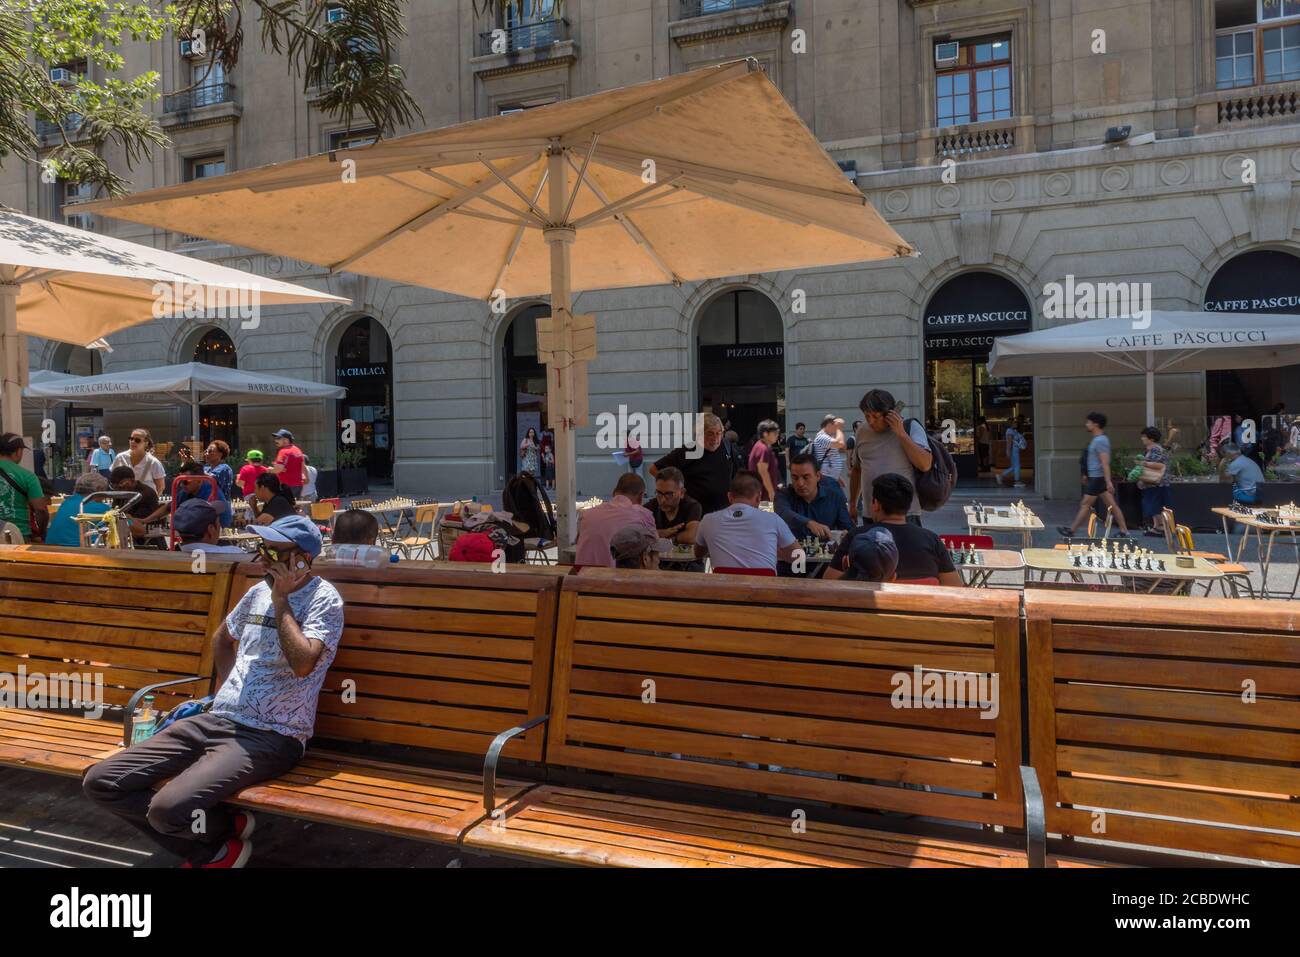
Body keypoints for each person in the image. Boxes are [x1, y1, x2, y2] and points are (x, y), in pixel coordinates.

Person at [83, 515, 344, 868]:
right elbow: (223, 639)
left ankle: (216, 848)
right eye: (261, 547)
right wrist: (227, 691)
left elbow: (303, 664)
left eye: (273, 550)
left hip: (272, 735)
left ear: (303, 558)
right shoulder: (256, 593)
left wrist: (282, 601)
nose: (263, 557)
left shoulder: (324, 600)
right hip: (218, 718)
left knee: (166, 809)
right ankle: (222, 829)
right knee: (101, 781)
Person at [826, 473, 962, 586]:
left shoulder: (858, 536)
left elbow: (829, 583)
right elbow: (955, 587)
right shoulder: (932, 540)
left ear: (876, 504)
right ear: (908, 506)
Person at [849, 390, 933, 525]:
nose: (871, 421)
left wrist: (901, 434)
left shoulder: (910, 427)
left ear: (890, 413)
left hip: (905, 514)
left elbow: (925, 464)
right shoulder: (862, 431)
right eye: (867, 416)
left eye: (875, 416)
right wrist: (852, 503)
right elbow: (857, 470)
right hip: (872, 514)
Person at [693, 471, 797, 573]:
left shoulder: (707, 520)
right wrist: (776, 551)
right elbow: (797, 554)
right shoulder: (773, 519)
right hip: (764, 588)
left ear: (729, 496)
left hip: (724, 589)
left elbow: (698, 554)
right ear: (758, 497)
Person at [649, 413, 733, 515]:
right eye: (710, 433)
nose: (715, 438)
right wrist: (675, 490)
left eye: (719, 433)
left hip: (724, 513)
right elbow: (654, 469)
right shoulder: (688, 451)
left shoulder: (726, 447)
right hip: (697, 514)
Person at [1061, 411, 1129, 537]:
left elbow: (1105, 462)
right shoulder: (1098, 440)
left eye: (1088, 422)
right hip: (1096, 477)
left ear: (1095, 424)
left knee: (1085, 504)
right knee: (1112, 505)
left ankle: (1072, 530)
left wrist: (1108, 481)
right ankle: (1124, 530)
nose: (1086, 424)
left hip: (1097, 478)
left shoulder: (1101, 441)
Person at [575, 473, 657, 567]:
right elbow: (654, 552)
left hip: (581, 577)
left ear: (614, 492)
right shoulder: (643, 515)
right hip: (616, 578)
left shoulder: (586, 514)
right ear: (641, 496)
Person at [775, 452, 853, 542]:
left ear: (818, 476)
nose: (800, 483)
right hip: (792, 552)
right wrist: (808, 523)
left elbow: (848, 528)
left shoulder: (834, 497)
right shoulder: (783, 495)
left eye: (806, 477)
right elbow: (783, 513)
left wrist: (845, 534)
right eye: (795, 478)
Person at [645, 466, 704, 571]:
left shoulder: (692, 506)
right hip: (659, 565)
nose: (662, 500)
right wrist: (663, 533)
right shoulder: (650, 506)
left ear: (682, 493)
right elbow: (638, 535)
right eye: (658, 493)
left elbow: (691, 537)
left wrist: (666, 539)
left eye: (669, 494)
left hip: (689, 567)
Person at [0, 433, 49, 543]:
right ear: (18, 451)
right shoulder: (27, 476)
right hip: (17, 535)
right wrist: (42, 532)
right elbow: (40, 509)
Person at [44, 471, 112, 547]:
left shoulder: (66, 503)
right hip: (78, 552)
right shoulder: (102, 508)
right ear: (99, 489)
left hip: (51, 548)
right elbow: (125, 526)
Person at [109, 465, 169, 547]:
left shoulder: (145, 494)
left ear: (131, 481)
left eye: (121, 484)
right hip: (129, 538)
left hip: (148, 542)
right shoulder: (121, 492)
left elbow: (137, 524)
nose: (118, 488)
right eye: (114, 486)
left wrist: (125, 518)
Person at [172, 498, 248, 556]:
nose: (220, 526)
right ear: (211, 530)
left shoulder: (172, 557)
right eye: (218, 522)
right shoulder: (235, 553)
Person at [1136, 426, 1171, 536]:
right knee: (1153, 505)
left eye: (1144, 437)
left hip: (1156, 483)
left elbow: (1158, 465)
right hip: (1155, 483)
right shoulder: (1153, 449)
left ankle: (1161, 527)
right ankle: (1157, 527)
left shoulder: (1155, 449)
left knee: (1154, 504)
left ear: (1151, 439)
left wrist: (1143, 463)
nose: (1142, 439)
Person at [112, 428, 166, 494]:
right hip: (124, 500)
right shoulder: (120, 457)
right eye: (131, 439)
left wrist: (153, 501)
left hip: (145, 501)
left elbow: (160, 487)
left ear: (146, 443)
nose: (132, 441)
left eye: (137, 440)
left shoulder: (153, 462)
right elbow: (114, 480)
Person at [747, 419, 781, 502]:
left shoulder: (761, 446)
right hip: (764, 496)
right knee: (766, 514)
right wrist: (771, 491)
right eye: (775, 433)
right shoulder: (763, 448)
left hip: (761, 494)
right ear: (765, 434)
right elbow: (763, 471)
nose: (777, 436)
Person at [811, 415, 847, 490]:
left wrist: (837, 477)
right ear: (829, 424)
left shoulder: (827, 437)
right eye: (835, 426)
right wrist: (839, 429)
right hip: (826, 479)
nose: (835, 429)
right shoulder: (822, 437)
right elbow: (840, 443)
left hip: (830, 477)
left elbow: (831, 455)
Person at [268, 429, 305, 500]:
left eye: (278, 438)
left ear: (286, 440)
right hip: (298, 485)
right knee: (294, 507)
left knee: (283, 508)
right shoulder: (298, 450)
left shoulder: (284, 451)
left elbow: (278, 469)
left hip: (286, 486)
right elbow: (303, 467)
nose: (276, 440)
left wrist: (270, 470)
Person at [999, 417, 1027, 488]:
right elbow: (1009, 442)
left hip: (1014, 451)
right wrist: (1008, 451)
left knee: (1014, 466)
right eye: (1014, 422)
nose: (1016, 423)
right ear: (1011, 423)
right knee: (1017, 466)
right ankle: (1017, 481)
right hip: (1013, 451)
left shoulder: (1013, 431)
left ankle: (1001, 476)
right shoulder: (1010, 431)